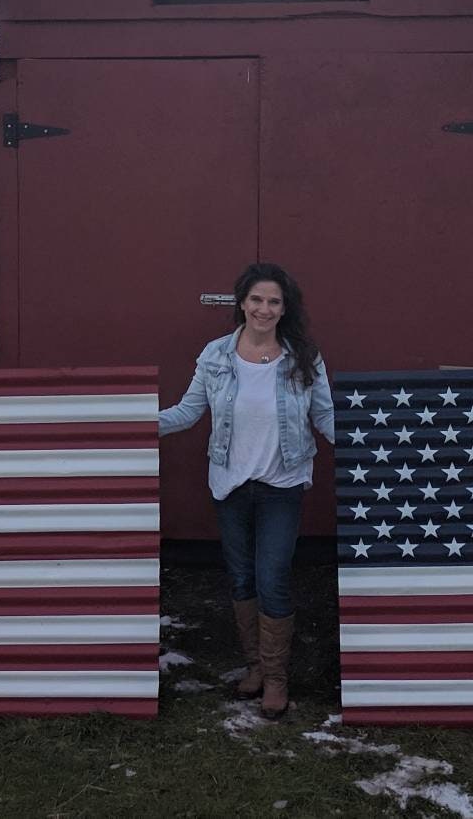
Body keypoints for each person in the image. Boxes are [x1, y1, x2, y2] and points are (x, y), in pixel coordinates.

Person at [157, 261, 334, 717]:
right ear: (242, 303)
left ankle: (277, 678)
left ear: (284, 307)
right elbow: (186, 412)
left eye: (274, 301)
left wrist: (376, 440)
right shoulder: (215, 355)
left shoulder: (303, 357)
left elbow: (325, 417)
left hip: (282, 485)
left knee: (272, 578)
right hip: (231, 486)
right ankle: (255, 666)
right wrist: (132, 424)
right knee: (241, 579)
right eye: (256, 299)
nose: (264, 308)